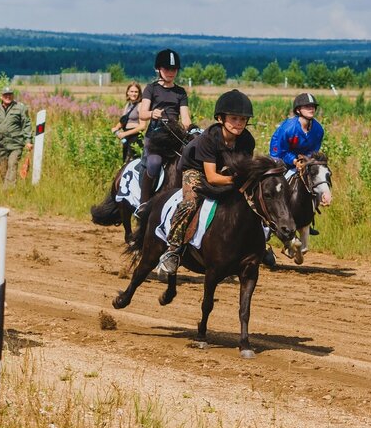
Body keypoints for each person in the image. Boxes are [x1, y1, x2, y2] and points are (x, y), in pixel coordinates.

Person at [156, 89, 255, 280]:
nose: (239, 123)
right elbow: (211, 178)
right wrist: (237, 181)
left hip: (225, 172)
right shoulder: (210, 138)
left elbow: (242, 169)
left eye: (243, 119)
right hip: (196, 171)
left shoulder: (247, 140)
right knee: (190, 203)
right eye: (234, 118)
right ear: (220, 118)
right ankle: (173, 250)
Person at [269, 92, 331, 234]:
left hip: (303, 161)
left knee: (314, 180)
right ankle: (269, 224)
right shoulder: (288, 128)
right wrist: (294, 160)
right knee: (275, 186)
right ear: (298, 110)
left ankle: (307, 220)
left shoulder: (318, 130)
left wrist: (306, 161)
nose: (311, 109)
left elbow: (314, 151)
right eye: (307, 106)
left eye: (313, 106)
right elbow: (281, 151)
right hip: (280, 157)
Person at [137, 49, 192, 203]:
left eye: (174, 69)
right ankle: (144, 202)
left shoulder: (180, 92)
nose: (171, 72)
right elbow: (142, 113)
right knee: (154, 163)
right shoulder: (151, 88)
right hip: (156, 137)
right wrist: (152, 113)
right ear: (159, 69)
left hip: (174, 136)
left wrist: (190, 128)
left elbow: (185, 118)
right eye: (167, 69)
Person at [0, 86, 33, 189]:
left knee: (12, 164)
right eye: (5, 95)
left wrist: (28, 141)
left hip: (16, 144)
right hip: (0, 144)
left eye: (10, 94)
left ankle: (8, 190)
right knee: (3, 169)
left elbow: (26, 124)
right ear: (1, 96)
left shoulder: (20, 108)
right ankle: (7, 188)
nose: (8, 97)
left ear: (13, 95)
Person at [112, 81, 144, 162]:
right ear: (127, 92)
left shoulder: (140, 105)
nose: (134, 94)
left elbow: (142, 126)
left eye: (136, 92)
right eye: (131, 91)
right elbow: (123, 121)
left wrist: (124, 134)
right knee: (125, 161)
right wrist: (116, 128)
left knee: (133, 162)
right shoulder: (128, 105)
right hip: (126, 138)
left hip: (135, 138)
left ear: (139, 93)